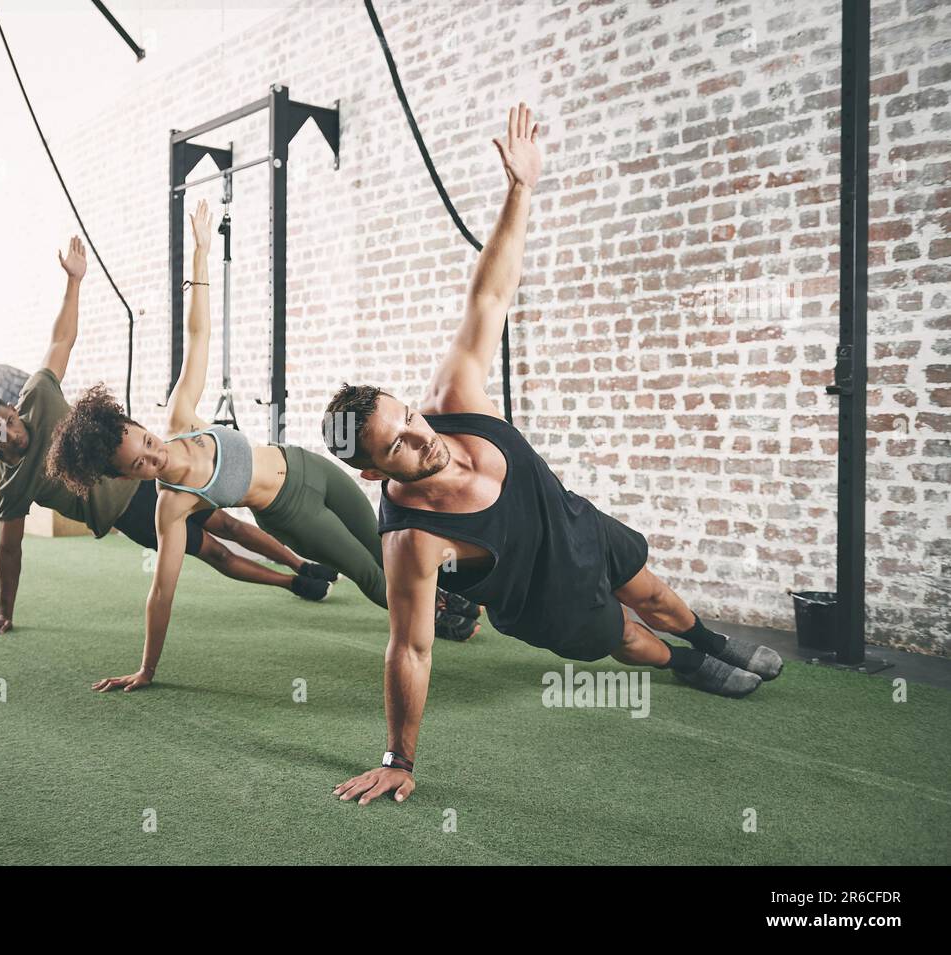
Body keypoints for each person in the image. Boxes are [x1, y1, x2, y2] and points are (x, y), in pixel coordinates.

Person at [321, 103, 784, 806]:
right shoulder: (411, 540)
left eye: (408, 417)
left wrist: (521, 189)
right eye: (399, 446)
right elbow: (410, 649)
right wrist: (399, 756)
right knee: (630, 636)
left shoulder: (455, 395)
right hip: (548, 602)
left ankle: (713, 638)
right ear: (374, 471)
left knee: (652, 588)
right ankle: (687, 663)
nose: (422, 436)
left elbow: (491, 292)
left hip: (575, 522)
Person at [47, 200, 482, 690]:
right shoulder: (172, 507)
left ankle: (446, 598)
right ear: (127, 477)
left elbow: (198, 334)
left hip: (308, 467)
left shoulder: (182, 417)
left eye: (146, 441)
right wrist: (147, 669)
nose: (155, 455)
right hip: (292, 513)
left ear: (139, 423)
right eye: (141, 464)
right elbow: (161, 593)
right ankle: (433, 623)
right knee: (372, 575)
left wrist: (201, 253)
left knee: (385, 540)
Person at [0, 235, 339, 639]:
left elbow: (61, 340)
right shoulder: (10, 486)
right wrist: (5, 611)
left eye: (8, 419)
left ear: (11, 408)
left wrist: (74, 281)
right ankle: (291, 583)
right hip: (129, 512)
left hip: (147, 472)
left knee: (229, 525)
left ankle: (299, 564)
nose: (11, 433)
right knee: (212, 551)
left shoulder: (38, 395)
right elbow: (9, 550)